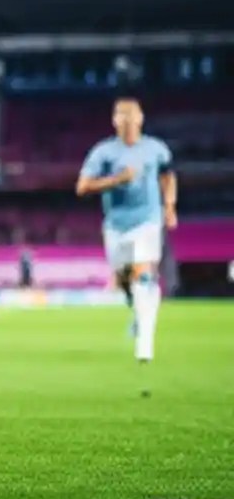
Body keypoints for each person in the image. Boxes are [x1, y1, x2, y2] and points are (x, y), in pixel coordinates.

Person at [76, 97, 176, 375]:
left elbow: (168, 176)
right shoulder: (103, 152)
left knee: (144, 274)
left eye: (133, 115)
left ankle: (145, 341)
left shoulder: (156, 149)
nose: (129, 120)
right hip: (116, 225)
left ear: (141, 118)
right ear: (115, 120)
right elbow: (82, 186)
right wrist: (116, 180)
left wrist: (169, 206)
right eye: (123, 115)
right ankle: (136, 308)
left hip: (148, 221)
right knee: (123, 281)